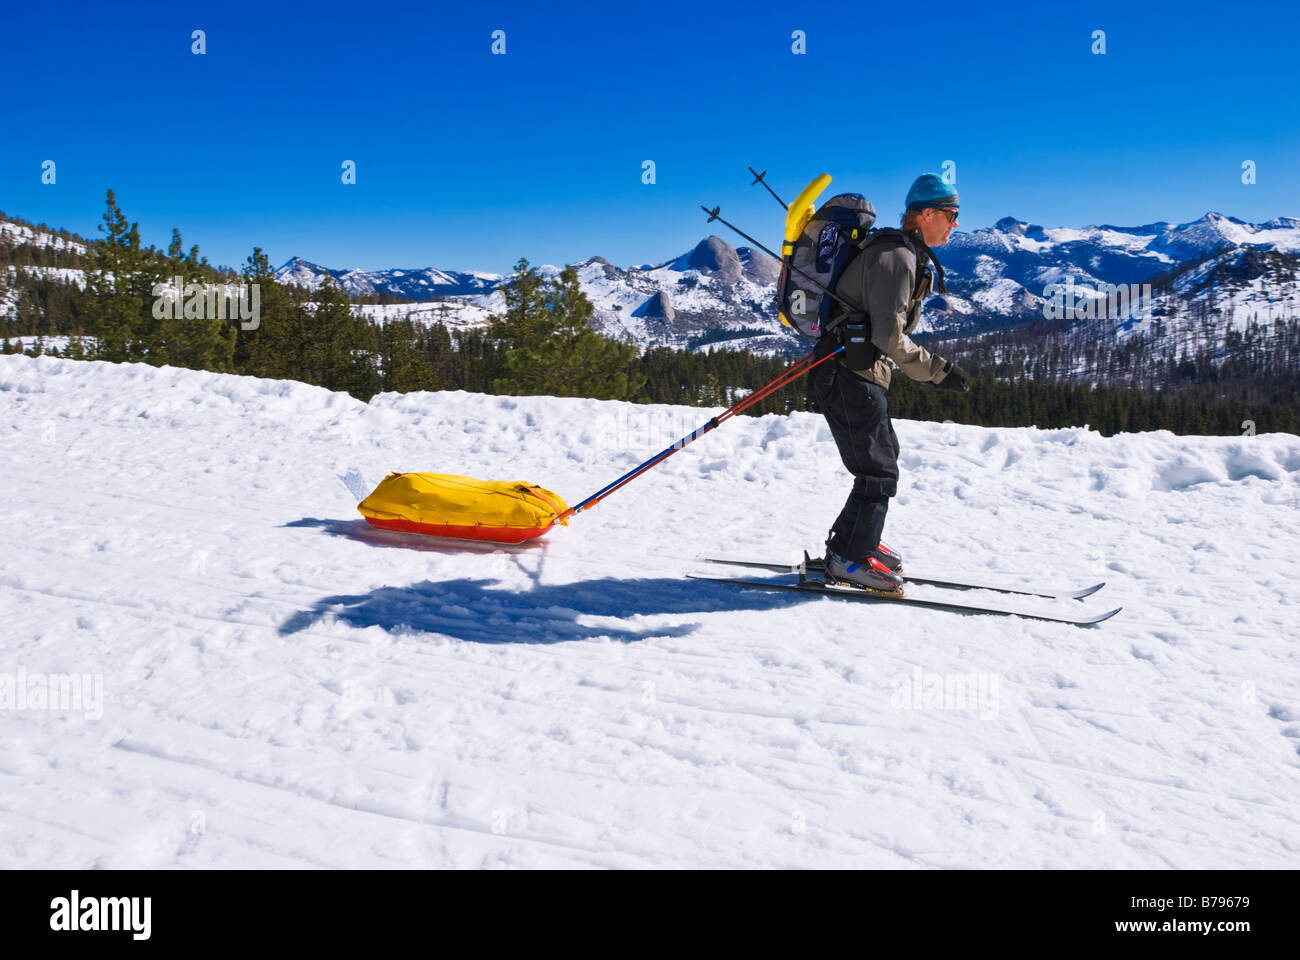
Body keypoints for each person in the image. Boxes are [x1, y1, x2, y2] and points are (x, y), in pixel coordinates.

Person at [809, 173, 971, 594]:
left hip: (855, 373)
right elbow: (888, 335)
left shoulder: (903, 251)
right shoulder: (897, 256)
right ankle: (849, 558)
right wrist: (938, 371)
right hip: (848, 374)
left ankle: (852, 544)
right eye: (951, 216)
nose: (955, 224)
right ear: (926, 214)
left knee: (881, 459)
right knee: (878, 470)